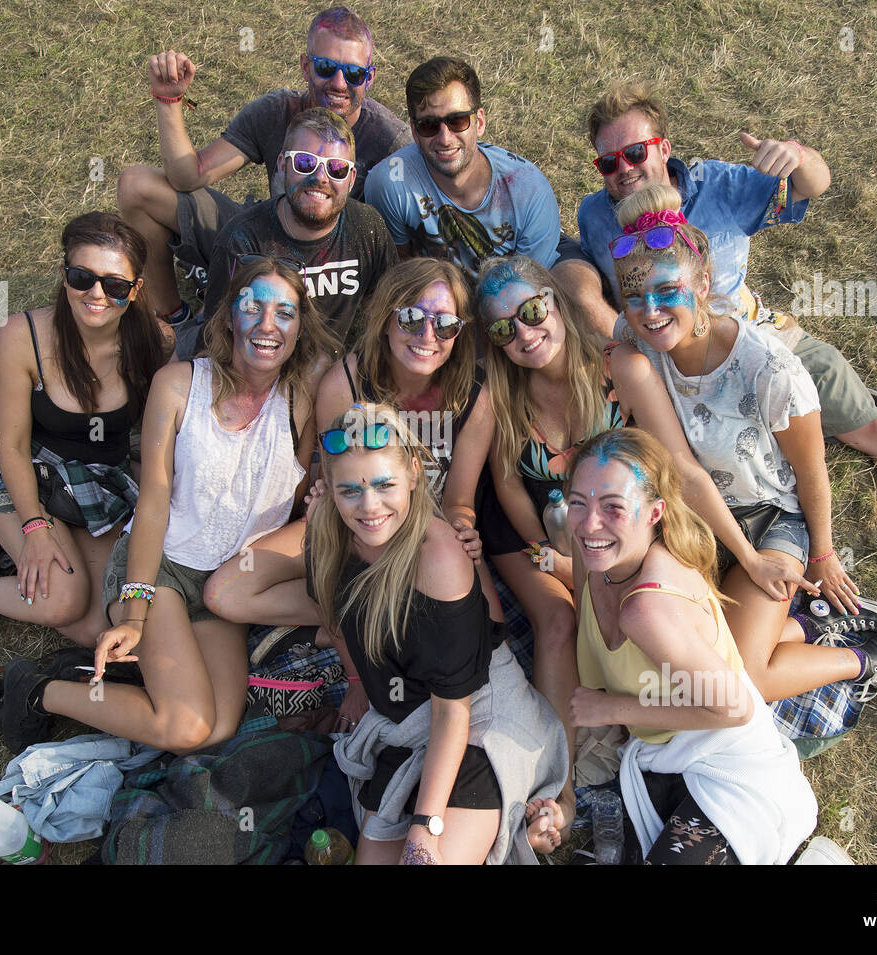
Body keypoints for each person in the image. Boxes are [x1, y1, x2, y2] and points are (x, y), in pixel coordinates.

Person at [578, 81, 877, 568]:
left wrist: (798, 156)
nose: (624, 170)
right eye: (608, 162)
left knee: (869, 427)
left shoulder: (719, 186)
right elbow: (585, 271)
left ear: (664, 148)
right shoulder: (595, 215)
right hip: (674, 354)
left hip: (758, 337)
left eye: (635, 152)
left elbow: (812, 184)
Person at [608, 184, 877, 732]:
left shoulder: (769, 371)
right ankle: (813, 626)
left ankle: (874, 656)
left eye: (666, 291)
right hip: (692, 517)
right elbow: (682, 470)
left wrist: (822, 554)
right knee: (662, 654)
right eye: (634, 295)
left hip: (768, 521)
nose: (649, 312)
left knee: (740, 680)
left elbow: (812, 474)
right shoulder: (637, 338)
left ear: (703, 284)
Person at [0, 258, 334, 755]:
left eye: (285, 313)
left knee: (215, 732)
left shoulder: (302, 401)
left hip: (225, 582)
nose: (267, 325)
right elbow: (151, 502)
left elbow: (300, 491)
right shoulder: (178, 385)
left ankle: (113, 676)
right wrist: (134, 613)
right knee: (185, 728)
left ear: (300, 328)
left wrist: (323, 493)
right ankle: (38, 693)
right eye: (252, 307)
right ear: (227, 318)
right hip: (161, 571)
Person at [202, 258, 500, 677]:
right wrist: (327, 505)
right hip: (352, 520)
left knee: (489, 630)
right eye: (412, 318)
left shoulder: (474, 394)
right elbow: (336, 485)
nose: (427, 336)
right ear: (386, 318)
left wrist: (463, 530)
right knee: (225, 592)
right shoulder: (347, 383)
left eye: (446, 324)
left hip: (427, 532)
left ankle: (356, 617)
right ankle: (339, 624)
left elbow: (460, 500)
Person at [0, 212, 167, 664]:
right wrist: (35, 527)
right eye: (83, 277)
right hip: (28, 476)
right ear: (64, 276)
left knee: (101, 622)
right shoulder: (21, 336)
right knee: (62, 601)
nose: (97, 294)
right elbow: (11, 445)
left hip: (99, 486)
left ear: (135, 289)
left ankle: (15, 567)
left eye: (115, 285)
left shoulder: (155, 344)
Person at [311, 404, 568, 864]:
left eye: (385, 484)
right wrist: (355, 682)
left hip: (475, 716)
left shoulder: (439, 557)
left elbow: (454, 713)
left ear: (413, 472)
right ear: (329, 490)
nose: (369, 507)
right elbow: (337, 616)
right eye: (349, 490)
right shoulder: (328, 534)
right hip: (405, 719)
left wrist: (425, 829)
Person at [563, 427, 818, 864]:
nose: (589, 524)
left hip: (728, 766)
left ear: (654, 512)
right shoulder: (595, 559)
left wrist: (611, 710)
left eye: (613, 508)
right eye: (578, 503)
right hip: (663, 760)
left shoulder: (648, 610)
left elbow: (735, 709)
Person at [116, 6, 409, 331]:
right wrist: (169, 102)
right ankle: (174, 318)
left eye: (354, 73)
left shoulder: (392, 142)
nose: (339, 83)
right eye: (326, 67)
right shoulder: (275, 113)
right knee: (136, 186)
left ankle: (225, 282)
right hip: (266, 233)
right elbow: (188, 176)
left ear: (370, 77)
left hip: (336, 267)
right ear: (305, 66)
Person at [364, 55, 600, 319]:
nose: (444, 138)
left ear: (480, 121)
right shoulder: (388, 183)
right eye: (429, 125)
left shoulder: (528, 191)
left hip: (523, 281)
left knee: (574, 306)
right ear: (414, 131)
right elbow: (401, 273)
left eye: (457, 121)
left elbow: (522, 296)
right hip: (444, 297)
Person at [200, 107, 397, 353]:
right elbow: (215, 342)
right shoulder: (241, 241)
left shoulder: (367, 228)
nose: (321, 178)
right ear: (283, 165)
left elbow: (388, 313)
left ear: (351, 178)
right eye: (305, 163)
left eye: (336, 168)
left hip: (329, 373)